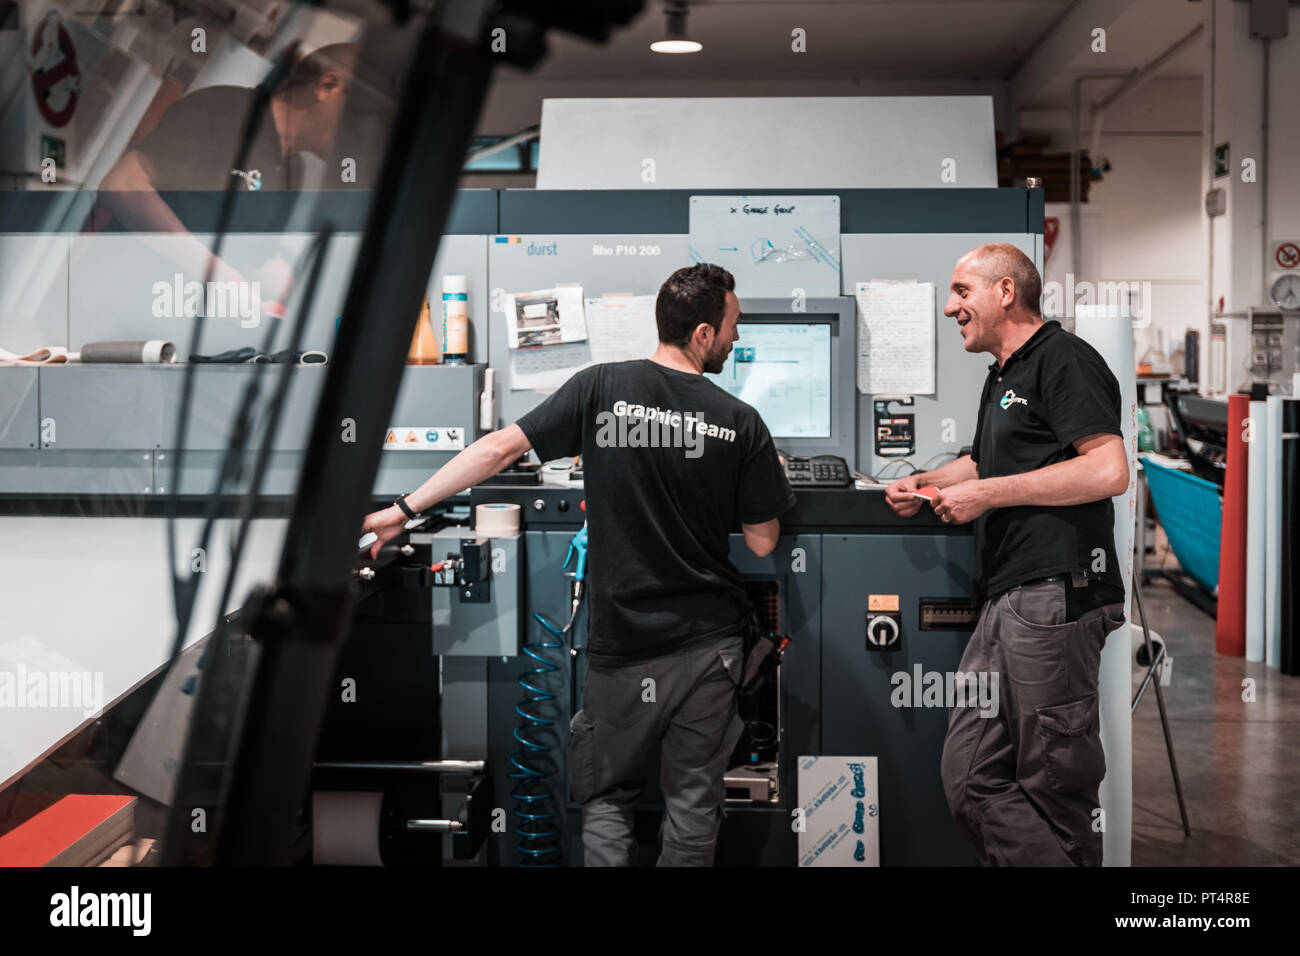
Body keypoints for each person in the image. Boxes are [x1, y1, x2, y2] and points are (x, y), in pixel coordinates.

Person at [362, 264, 795, 866]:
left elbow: (497, 449)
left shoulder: (599, 388)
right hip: (707, 647)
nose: (735, 339)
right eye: (731, 328)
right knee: (693, 806)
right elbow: (761, 544)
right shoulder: (740, 422)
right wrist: (755, 474)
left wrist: (402, 510)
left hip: (623, 646)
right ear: (701, 334)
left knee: (609, 798)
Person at [884, 243, 1129, 866]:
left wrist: (986, 494)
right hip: (1007, 597)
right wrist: (928, 481)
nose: (948, 308)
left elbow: (1107, 469)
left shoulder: (1063, 360)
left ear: (1005, 292)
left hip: (1055, 594)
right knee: (970, 778)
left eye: (961, 292)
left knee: (1054, 784)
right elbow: (985, 461)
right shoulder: (1004, 373)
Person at [98, 43, 358, 296]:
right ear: (327, 86)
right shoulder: (225, 110)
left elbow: (256, 263)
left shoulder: (293, 169)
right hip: (116, 301)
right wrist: (215, 273)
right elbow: (123, 184)